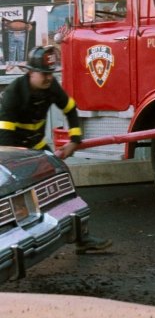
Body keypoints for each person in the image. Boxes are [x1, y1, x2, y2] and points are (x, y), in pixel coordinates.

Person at [0, 45, 112, 254]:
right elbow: (5, 138)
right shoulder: (13, 93)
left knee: (63, 185)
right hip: (13, 153)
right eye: (44, 74)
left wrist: (74, 140)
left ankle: (82, 238)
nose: (49, 78)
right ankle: (14, 248)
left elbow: (70, 109)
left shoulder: (51, 87)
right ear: (31, 73)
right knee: (16, 202)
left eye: (50, 73)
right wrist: (22, 166)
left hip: (37, 148)